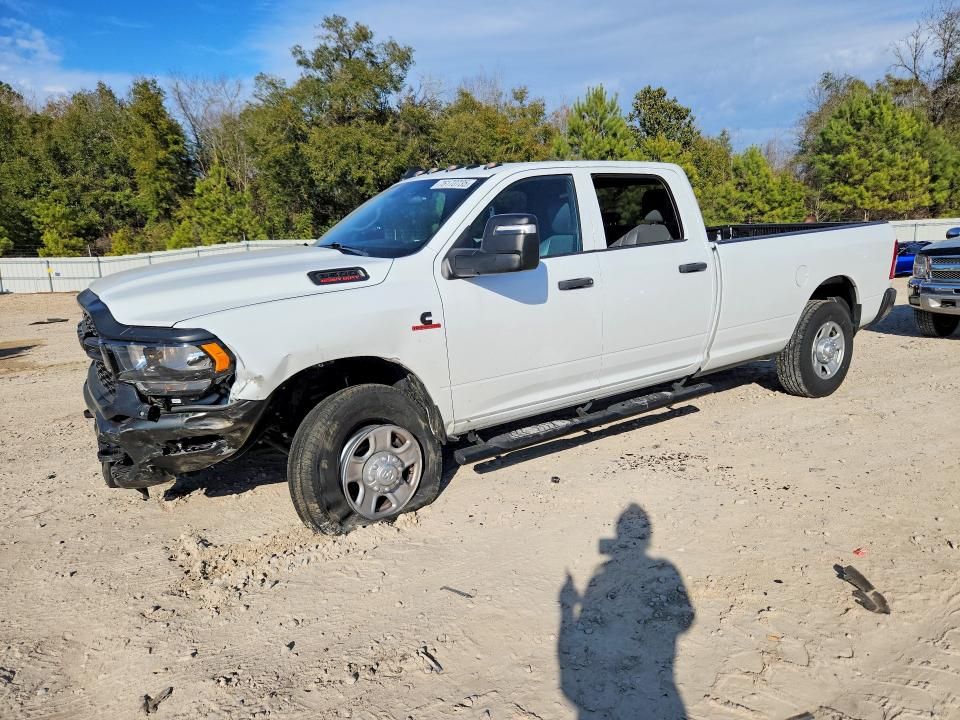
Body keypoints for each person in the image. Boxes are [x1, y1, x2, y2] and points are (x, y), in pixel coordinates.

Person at [559, 504, 693, 719]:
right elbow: (686, 620)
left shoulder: (601, 574)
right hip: (657, 679)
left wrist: (566, 610)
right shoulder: (664, 567)